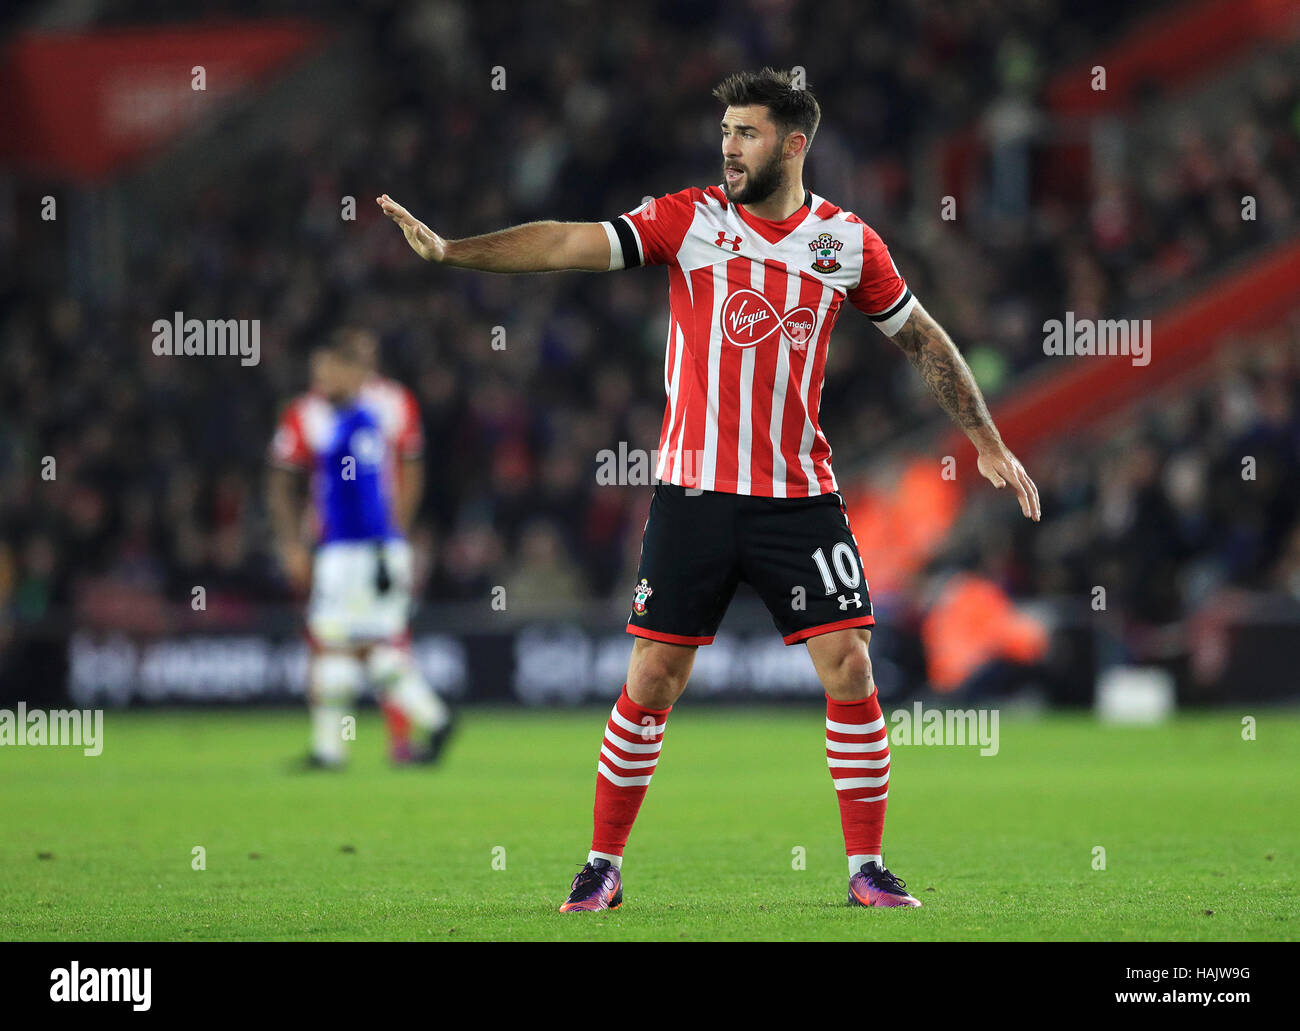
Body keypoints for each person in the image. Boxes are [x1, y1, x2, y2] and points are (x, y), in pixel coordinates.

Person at [378, 67, 1040, 910]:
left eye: (747, 133)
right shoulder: (689, 219)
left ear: (793, 145)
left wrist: (984, 439)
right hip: (694, 493)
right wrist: (452, 250)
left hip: (799, 497)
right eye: (725, 131)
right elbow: (567, 243)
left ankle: (866, 868)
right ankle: (602, 865)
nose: (729, 147)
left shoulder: (846, 242)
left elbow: (924, 339)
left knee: (850, 664)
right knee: (653, 676)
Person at [268, 336, 453, 768]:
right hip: (361, 550)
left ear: (352, 373)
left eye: (328, 370)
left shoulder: (356, 425)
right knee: (365, 646)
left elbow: (369, 498)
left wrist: (381, 551)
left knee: (334, 643)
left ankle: (333, 749)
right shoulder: (354, 421)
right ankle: (435, 719)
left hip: (353, 553)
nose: (320, 379)